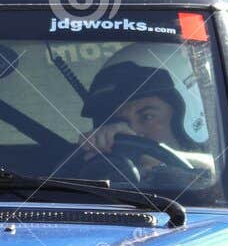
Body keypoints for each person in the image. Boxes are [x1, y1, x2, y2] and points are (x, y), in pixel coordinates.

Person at [78, 57, 215, 182]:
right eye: (119, 122)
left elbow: (221, 171)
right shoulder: (100, 183)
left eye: (147, 117)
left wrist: (157, 157)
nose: (133, 132)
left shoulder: (227, 170)